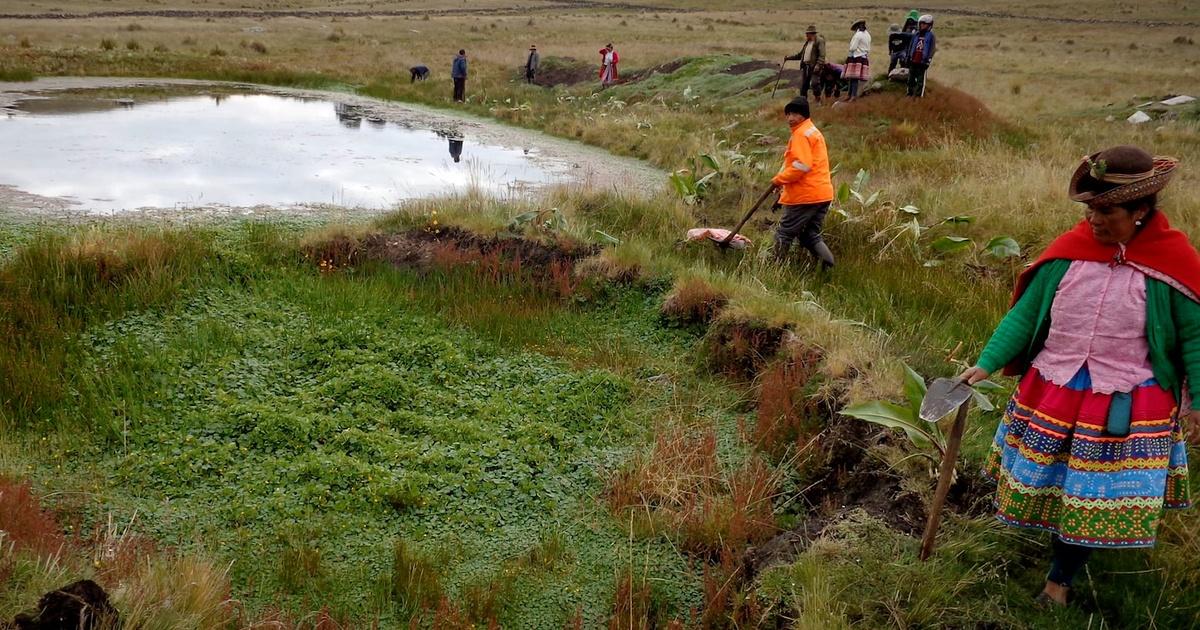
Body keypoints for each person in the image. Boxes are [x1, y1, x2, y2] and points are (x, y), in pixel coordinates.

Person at [959, 145, 1195, 606]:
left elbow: (1195, 339)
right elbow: (1025, 317)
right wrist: (986, 362)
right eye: (1090, 208)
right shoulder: (1070, 255)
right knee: (1056, 481)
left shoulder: (1173, 264)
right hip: (1057, 390)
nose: (1094, 220)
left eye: (1107, 210)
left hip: (1124, 401)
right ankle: (1051, 545)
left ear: (1141, 211)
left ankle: (1059, 580)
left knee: (1092, 495)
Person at [770, 97, 835, 268]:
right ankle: (827, 265)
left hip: (805, 195)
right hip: (823, 194)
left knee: (784, 233)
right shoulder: (813, 131)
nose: (791, 118)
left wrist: (778, 180)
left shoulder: (800, 134)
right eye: (788, 113)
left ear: (804, 115)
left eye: (795, 114)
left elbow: (802, 165)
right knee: (809, 234)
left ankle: (773, 271)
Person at [784, 25, 826, 100]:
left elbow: (822, 55)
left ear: (812, 33)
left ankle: (818, 99)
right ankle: (803, 101)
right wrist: (788, 58)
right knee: (804, 86)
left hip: (814, 66)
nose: (806, 35)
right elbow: (800, 55)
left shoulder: (819, 41)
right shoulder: (807, 43)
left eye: (807, 33)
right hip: (806, 67)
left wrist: (818, 65)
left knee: (814, 83)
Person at [906, 14, 936, 97]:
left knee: (920, 80)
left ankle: (918, 96)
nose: (922, 25)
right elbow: (911, 46)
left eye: (924, 24)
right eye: (921, 23)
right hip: (914, 59)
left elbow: (932, 49)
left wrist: (928, 60)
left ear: (929, 25)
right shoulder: (916, 34)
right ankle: (909, 93)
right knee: (910, 78)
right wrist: (908, 57)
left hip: (922, 61)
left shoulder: (931, 36)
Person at [844, 20, 871, 101]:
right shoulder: (868, 35)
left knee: (853, 77)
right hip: (863, 57)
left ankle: (852, 96)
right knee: (854, 78)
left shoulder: (858, 35)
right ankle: (850, 95)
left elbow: (852, 47)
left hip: (856, 57)